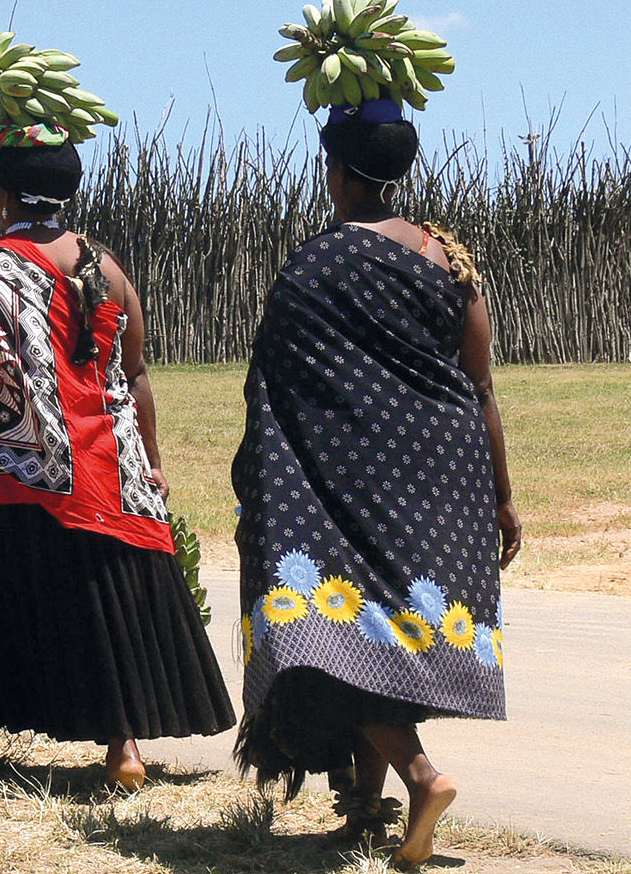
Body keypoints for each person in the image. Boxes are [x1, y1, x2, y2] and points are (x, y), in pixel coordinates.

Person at [232, 98, 522, 864]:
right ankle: (365, 809)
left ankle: (422, 777)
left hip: (347, 482)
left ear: (336, 173)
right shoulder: (447, 259)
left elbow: (279, 386)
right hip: (444, 477)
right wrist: (501, 493)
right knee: (381, 633)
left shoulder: (314, 264)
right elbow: (480, 386)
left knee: (338, 631)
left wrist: (268, 481)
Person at [0, 139, 235, 789]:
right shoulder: (107, 269)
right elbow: (133, 374)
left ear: (2, 195)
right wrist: (152, 462)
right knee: (102, 610)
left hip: (7, 471)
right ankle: (124, 752)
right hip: (105, 464)